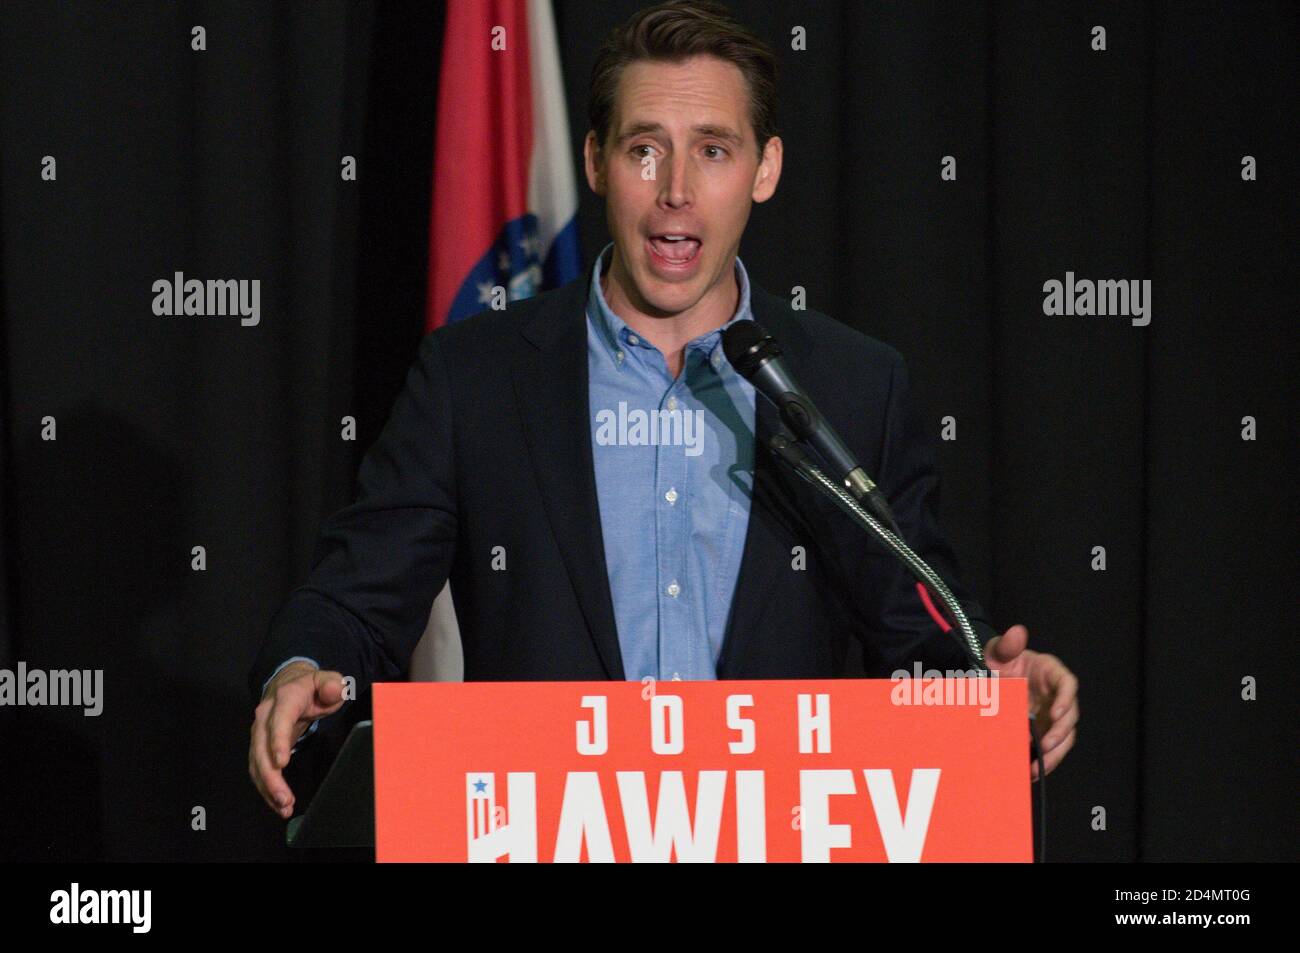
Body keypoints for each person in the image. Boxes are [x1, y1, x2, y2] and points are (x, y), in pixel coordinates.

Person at [248, 0, 1078, 822]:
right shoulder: (474, 378)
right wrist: (303, 667)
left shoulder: (852, 387)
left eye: (713, 150)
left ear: (765, 168)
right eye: (645, 149)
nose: (676, 190)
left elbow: (920, 634)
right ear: (597, 161)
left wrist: (981, 694)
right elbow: (358, 600)